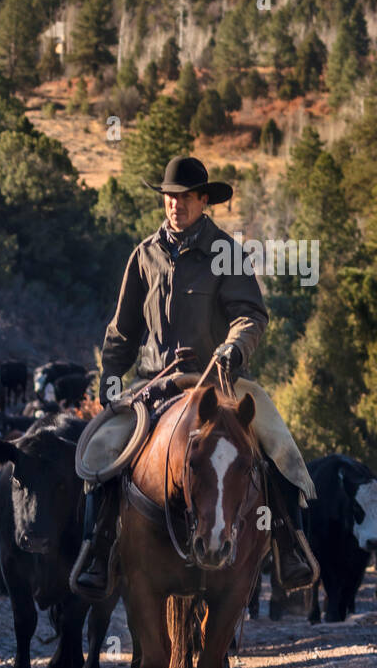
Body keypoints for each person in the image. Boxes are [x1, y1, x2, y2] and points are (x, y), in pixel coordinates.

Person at [75, 154, 315, 596]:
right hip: (154, 386)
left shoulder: (227, 253)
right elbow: (122, 331)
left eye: (186, 197)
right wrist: (110, 379)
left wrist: (233, 347)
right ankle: (97, 548)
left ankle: (290, 545)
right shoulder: (144, 255)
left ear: (204, 200)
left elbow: (251, 315)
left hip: (218, 382)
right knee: (100, 453)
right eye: (170, 197)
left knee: (279, 448)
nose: (176, 204)